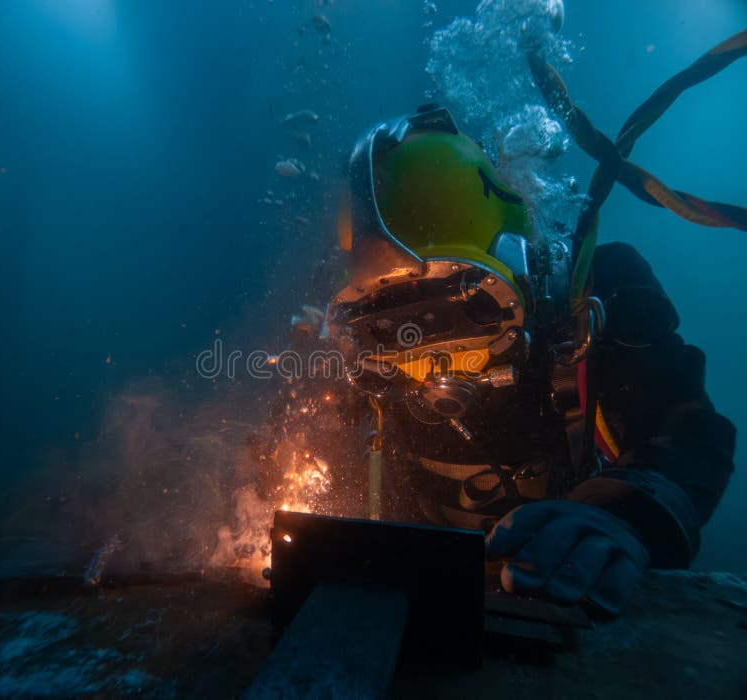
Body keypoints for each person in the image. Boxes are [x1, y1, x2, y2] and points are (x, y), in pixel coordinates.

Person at [256, 32, 746, 615]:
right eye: (389, 327)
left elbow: (687, 428)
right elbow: (306, 451)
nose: (432, 364)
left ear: (517, 266)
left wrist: (625, 514)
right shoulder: (359, 360)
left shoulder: (599, 288)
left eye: (462, 309)